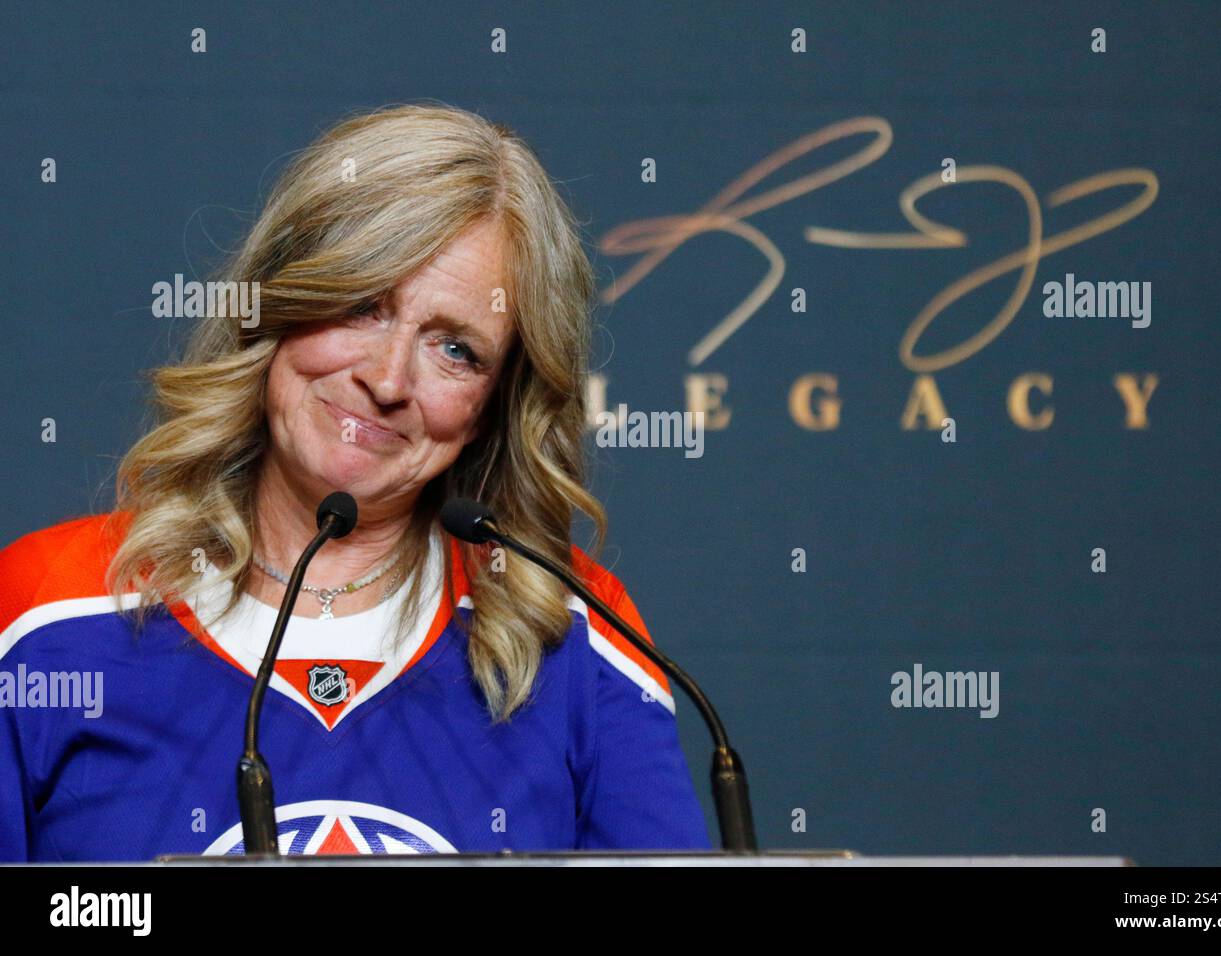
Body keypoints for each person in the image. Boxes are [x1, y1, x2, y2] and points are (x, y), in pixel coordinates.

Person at [0, 103, 711, 860]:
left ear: (494, 404)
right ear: (275, 304)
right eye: (363, 305)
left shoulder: (578, 634)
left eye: (455, 349)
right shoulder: (49, 610)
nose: (386, 378)